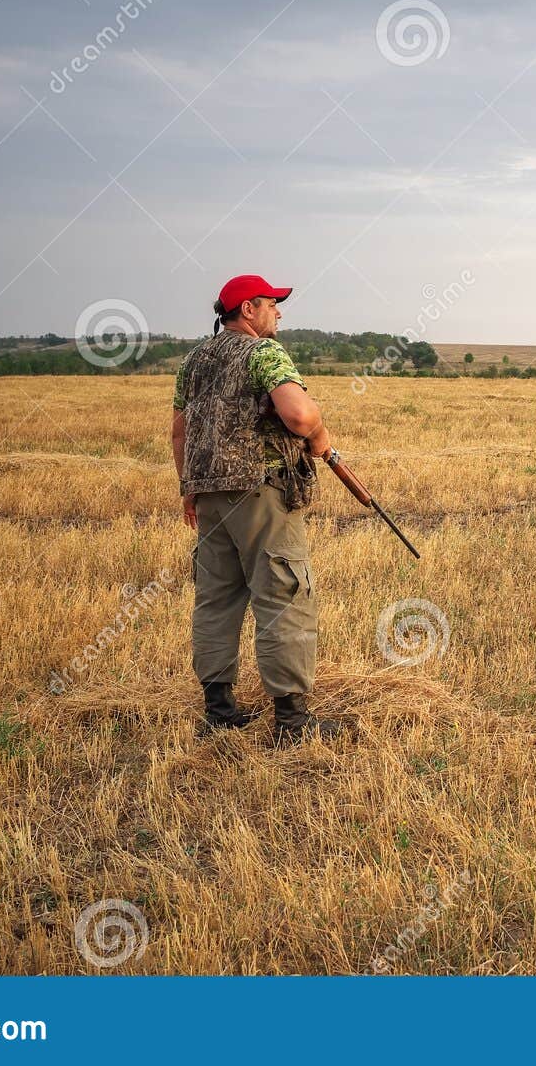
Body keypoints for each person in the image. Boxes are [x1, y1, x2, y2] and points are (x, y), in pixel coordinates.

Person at [170, 274, 342, 743]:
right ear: (247, 310)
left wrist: (189, 489)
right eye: (271, 304)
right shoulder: (264, 353)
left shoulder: (193, 361)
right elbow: (300, 416)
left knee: (216, 600)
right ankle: (291, 721)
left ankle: (219, 710)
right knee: (284, 595)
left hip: (207, 497)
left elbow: (180, 433)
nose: (279, 313)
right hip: (260, 492)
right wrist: (321, 439)